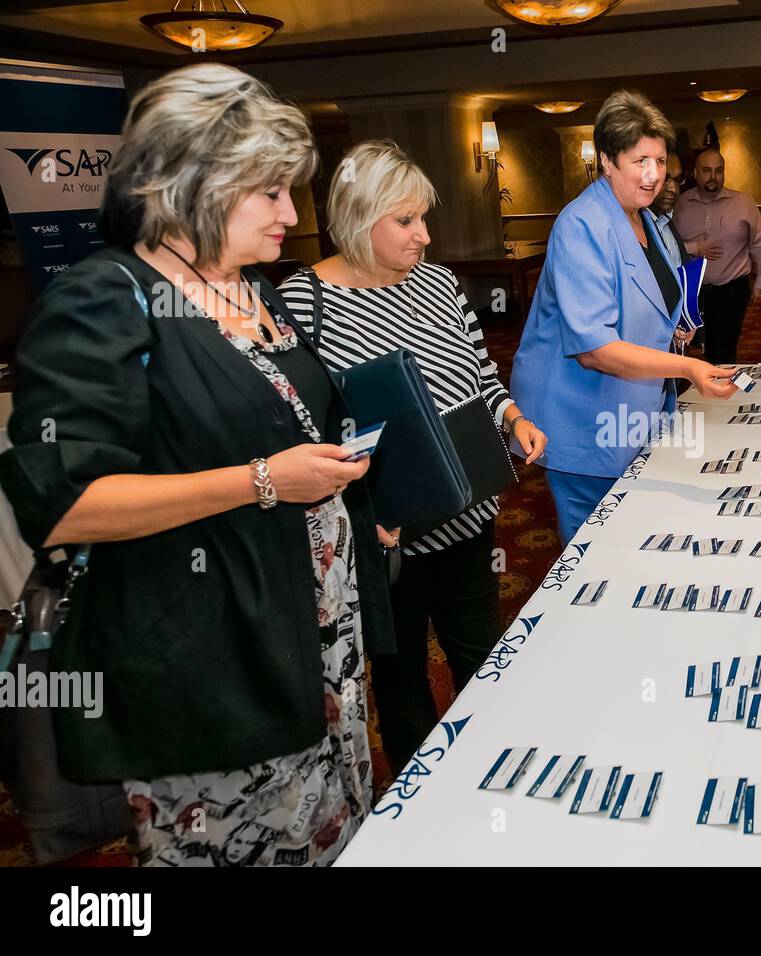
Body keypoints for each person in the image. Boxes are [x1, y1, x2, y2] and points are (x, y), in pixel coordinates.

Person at [0, 63, 397, 866]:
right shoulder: (103, 298)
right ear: (190, 183)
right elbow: (67, 502)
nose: (292, 213)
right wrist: (263, 482)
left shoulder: (254, 289)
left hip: (316, 643)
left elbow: (295, 419)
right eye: (270, 192)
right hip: (212, 670)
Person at [278, 139, 546, 770]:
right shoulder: (303, 304)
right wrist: (358, 510)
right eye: (406, 221)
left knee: (481, 655)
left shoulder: (441, 283)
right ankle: (418, 801)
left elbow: (479, 369)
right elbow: (303, 429)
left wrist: (512, 415)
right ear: (355, 216)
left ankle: (491, 774)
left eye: (424, 218)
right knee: (399, 681)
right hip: (384, 535)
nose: (424, 235)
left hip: (466, 511)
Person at [511, 91, 738, 543]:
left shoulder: (647, 220)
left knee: (636, 543)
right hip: (585, 421)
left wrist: (673, 328)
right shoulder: (581, 224)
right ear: (606, 161)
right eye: (639, 161)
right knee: (594, 560)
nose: (653, 175)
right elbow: (594, 349)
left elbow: (647, 301)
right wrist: (689, 367)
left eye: (659, 160)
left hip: (633, 413)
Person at [673, 147, 761, 365]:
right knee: (685, 347)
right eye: (707, 171)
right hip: (691, 292)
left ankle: (720, 393)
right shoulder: (679, 205)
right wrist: (693, 248)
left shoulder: (743, 203)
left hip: (731, 291)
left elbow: (760, 243)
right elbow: (668, 245)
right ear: (695, 173)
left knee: (724, 350)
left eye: (718, 171)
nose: (713, 177)